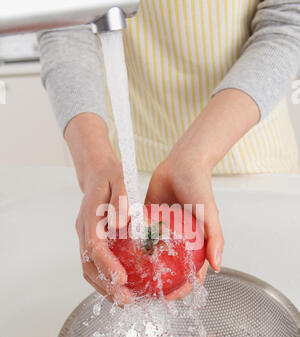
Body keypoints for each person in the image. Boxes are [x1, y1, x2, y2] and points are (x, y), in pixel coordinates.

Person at [39, 0, 300, 304]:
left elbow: (288, 22)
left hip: (254, 155)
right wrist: (95, 163)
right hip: (129, 165)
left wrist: (197, 154)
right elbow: (64, 24)